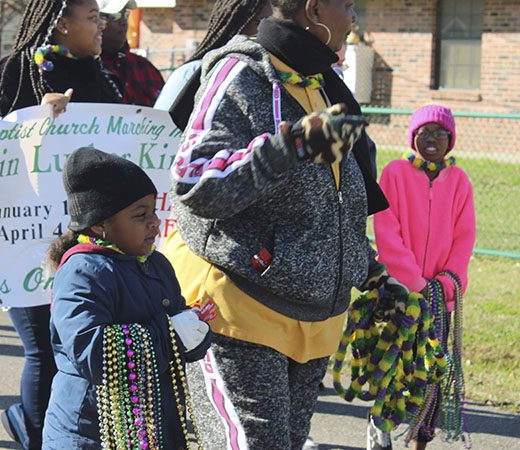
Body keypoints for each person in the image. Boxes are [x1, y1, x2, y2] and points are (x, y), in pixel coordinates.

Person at [161, 0, 408, 448]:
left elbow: (334, 200)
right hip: (238, 311)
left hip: (312, 318)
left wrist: (367, 269)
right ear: (313, 9)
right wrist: (288, 146)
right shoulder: (240, 73)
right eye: (347, 5)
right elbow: (193, 182)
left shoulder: (323, 85)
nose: (354, 16)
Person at [0, 0, 121, 448]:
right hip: (25, 240)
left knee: (73, 350)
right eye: (92, 16)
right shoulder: (12, 74)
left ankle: (34, 424)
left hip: (86, 244)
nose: (102, 24)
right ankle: (37, 437)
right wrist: (32, 122)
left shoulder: (102, 77)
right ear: (60, 24)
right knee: (44, 349)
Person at [42, 146, 212, 449]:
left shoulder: (156, 263)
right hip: (92, 433)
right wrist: (172, 334)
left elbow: (175, 330)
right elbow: (91, 351)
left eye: (155, 210)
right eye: (140, 215)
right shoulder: (82, 271)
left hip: (155, 425)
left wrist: (196, 333)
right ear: (100, 225)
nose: (155, 222)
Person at [369, 104, 475, 450]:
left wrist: (448, 282)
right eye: (423, 132)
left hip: (438, 299)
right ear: (413, 138)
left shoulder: (459, 181)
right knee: (391, 369)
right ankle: (380, 430)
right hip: (401, 293)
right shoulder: (395, 173)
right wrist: (414, 282)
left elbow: (464, 236)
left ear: (451, 140)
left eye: (439, 132)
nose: (431, 138)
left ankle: (420, 441)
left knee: (431, 373)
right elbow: (387, 229)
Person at [153, 0, 272, 116]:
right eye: (261, 23)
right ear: (234, 24)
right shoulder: (191, 73)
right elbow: (160, 129)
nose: (271, 30)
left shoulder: (275, 75)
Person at [98, 0, 163, 106]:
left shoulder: (145, 67)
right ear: (95, 20)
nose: (124, 22)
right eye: (116, 16)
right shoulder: (88, 69)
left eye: (126, 15)